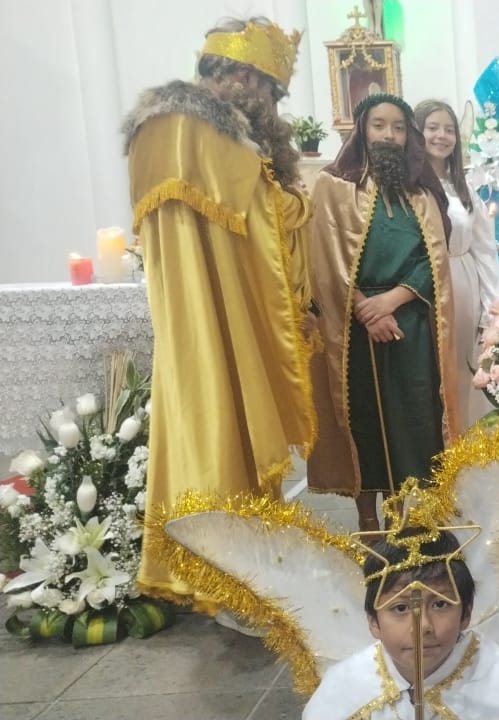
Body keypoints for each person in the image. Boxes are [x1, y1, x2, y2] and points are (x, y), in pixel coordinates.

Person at [124, 17, 315, 609]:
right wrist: (302, 203)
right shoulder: (198, 132)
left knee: (209, 414)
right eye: (271, 91)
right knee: (221, 414)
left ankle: (225, 559)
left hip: (207, 309)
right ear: (239, 75)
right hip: (220, 312)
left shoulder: (161, 129)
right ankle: (224, 569)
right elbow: (267, 217)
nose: (274, 107)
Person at [307, 93, 462, 531]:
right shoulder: (332, 187)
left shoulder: (421, 190)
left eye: (397, 127)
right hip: (353, 327)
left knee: (416, 420)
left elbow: (433, 258)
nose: (389, 135)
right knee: (363, 423)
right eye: (379, 125)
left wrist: (393, 302)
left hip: (410, 320)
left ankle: (414, 519)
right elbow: (321, 258)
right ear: (362, 130)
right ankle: (369, 522)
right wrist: (365, 309)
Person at [303, 527, 499, 719]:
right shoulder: (344, 688)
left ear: (466, 613)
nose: (422, 625)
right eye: (400, 608)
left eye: (440, 604)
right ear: (374, 622)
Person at [413, 99, 499, 427]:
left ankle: (464, 448)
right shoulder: (408, 187)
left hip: (462, 285)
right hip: (420, 287)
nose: (442, 136)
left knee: (462, 369)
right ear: (417, 132)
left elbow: (485, 251)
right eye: (433, 128)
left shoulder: (464, 190)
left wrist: (493, 312)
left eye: (449, 130)